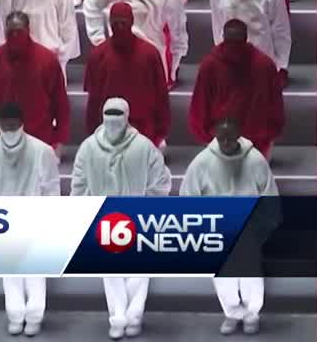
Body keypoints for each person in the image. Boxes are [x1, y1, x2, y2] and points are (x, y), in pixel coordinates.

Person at [71, 98, 172, 340]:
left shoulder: (144, 147)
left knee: (138, 269)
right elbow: (79, 183)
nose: (113, 118)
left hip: (138, 215)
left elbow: (161, 181)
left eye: (117, 113)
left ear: (127, 116)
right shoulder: (88, 148)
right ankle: (119, 316)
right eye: (109, 113)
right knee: (112, 270)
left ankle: (132, 315)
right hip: (104, 216)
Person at [179, 117, 278, 336]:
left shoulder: (255, 160)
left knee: (251, 274)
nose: (226, 142)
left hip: (249, 226)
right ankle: (232, 312)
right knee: (223, 277)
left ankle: (252, 313)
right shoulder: (202, 162)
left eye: (230, 138)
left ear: (238, 136)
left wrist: (263, 228)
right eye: (221, 138)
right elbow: (188, 197)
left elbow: (269, 195)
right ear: (215, 136)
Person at [0, 102, 61, 336]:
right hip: (3, 220)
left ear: (22, 124)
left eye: (13, 126)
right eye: (6, 126)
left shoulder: (42, 150)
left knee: (35, 272)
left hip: (34, 217)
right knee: (11, 273)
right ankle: (15, 315)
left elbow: (52, 188)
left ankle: (34, 315)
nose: (10, 130)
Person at [189, 19, 285, 158]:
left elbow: (199, 107)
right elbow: (276, 107)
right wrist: (268, 135)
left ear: (223, 37)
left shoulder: (210, 65)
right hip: (255, 143)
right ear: (246, 38)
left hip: (222, 142)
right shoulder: (264, 65)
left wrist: (207, 136)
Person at [0, 12, 71, 157]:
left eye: (19, 32)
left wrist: (59, 139)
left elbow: (60, 102)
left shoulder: (47, 60)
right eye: (11, 32)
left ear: (28, 30)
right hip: (5, 140)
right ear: (5, 32)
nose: (15, 37)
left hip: (41, 139)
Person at [84, 3, 171, 150]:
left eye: (123, 23)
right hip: (108, 133)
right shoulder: (98, 56)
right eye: (115, 23)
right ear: (110, 24)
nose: (119, 27)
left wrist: (161, 130)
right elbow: (93, 99)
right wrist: (93, 132)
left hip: (143, 131)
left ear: (131, 22)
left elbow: (161, 95)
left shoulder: (150, 54)